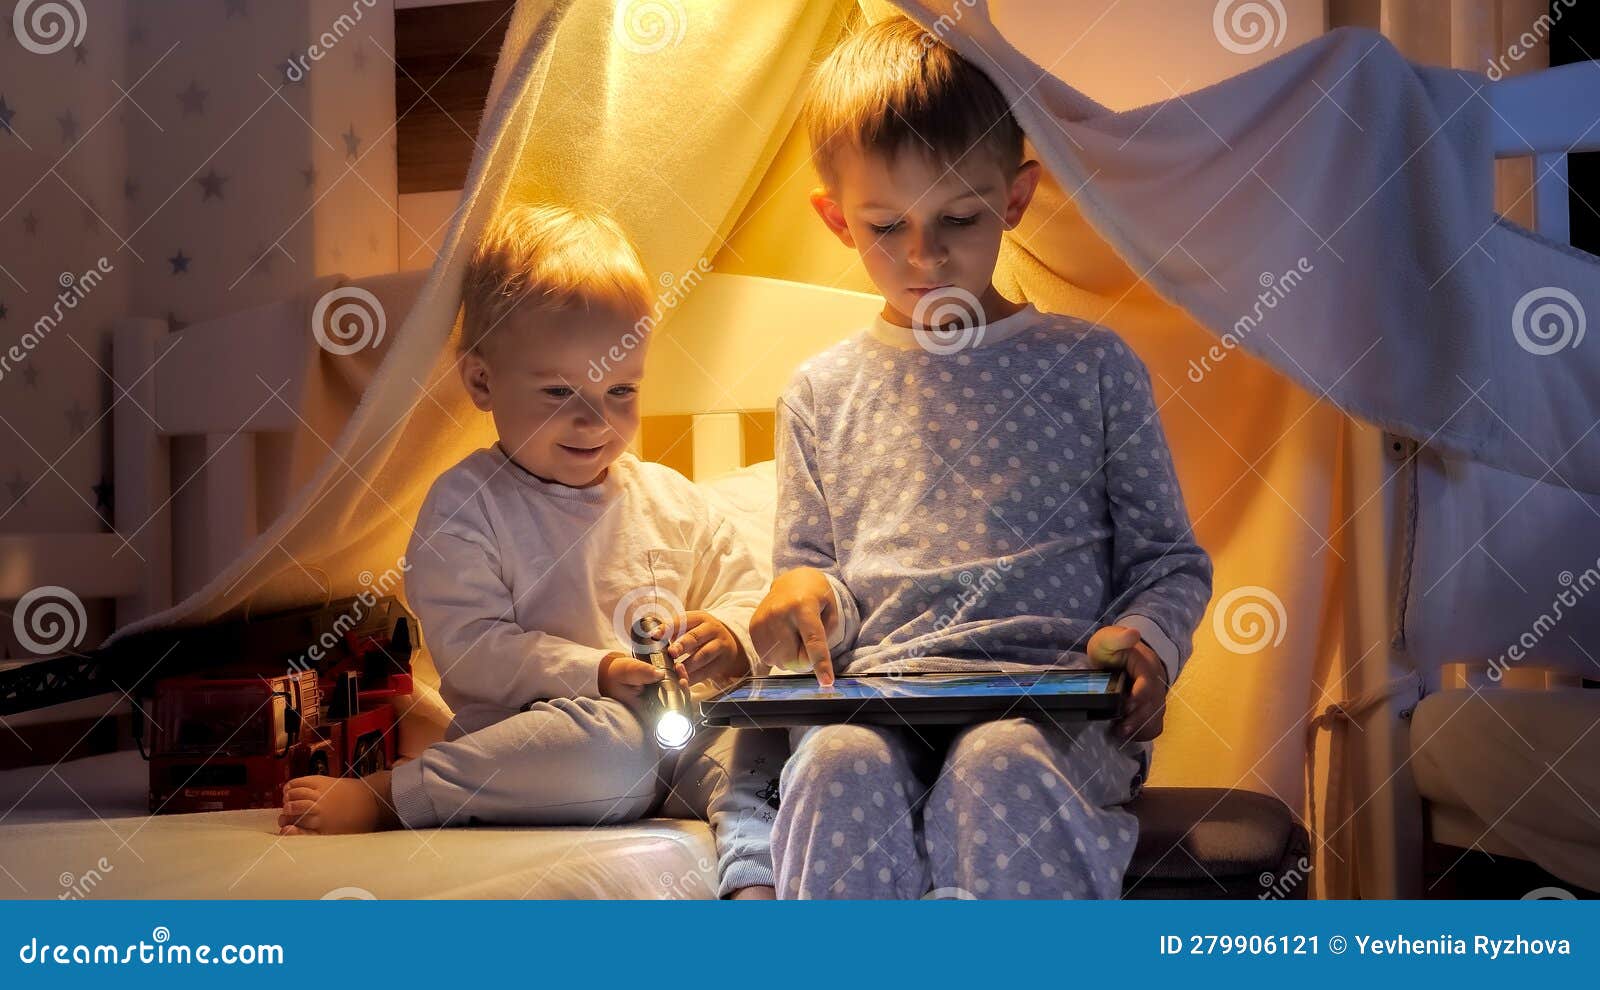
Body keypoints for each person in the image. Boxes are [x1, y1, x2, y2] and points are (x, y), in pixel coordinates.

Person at [750, 18, 1213, 899]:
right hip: (879, 702)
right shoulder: (818, 393)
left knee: (997, 761)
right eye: (886, 225)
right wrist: (803, 602)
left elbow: (1168, 562)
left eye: (958, 217)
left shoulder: (1092, 367)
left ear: (1016, 198)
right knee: (832, 766)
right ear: (837, 220)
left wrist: (1146, 641)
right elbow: (816, 587)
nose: (924, 255)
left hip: (1055, 712)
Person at [278, 203, 785, 899]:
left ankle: (756, 882)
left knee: (768, 745)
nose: (594, 419)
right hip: (550, 742)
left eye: (620, 390)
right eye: (559, 391)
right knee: (610, 751)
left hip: (681, 730)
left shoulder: (670, 499)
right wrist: (595, 672)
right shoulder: (467, 505)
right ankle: (395, 794)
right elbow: (475, 649)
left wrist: (728, 634)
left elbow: (747, 585)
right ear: (482, 382)